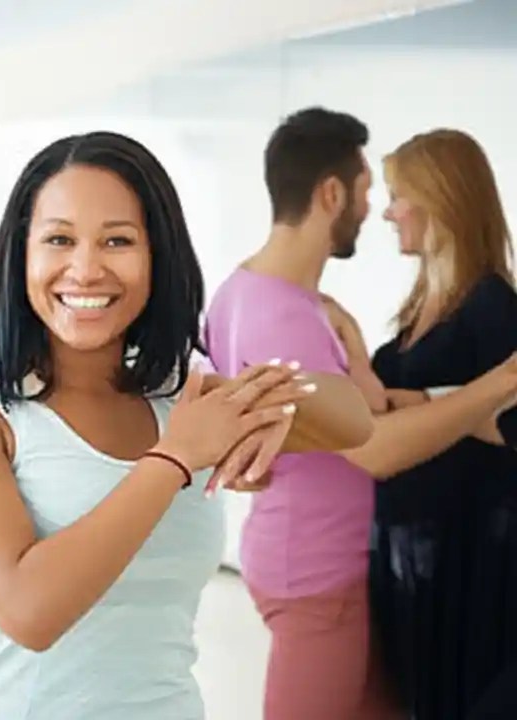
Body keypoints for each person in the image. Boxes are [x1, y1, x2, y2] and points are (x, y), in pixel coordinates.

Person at [0, 131, 374, 718]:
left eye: (118, 241)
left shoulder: (178, 396)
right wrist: (173, 459)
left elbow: (354, 420)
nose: (85, 269)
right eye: (59, 239)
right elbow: (30, 611)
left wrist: (279, 403)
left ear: (157, 255)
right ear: (21, 255)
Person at [203, 108, 517, 720]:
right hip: (321, 571)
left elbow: (368, 411)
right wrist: (499, 383)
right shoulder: (285, 314)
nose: (379, 209)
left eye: (396, 195)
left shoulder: (267, 297)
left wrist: (357, 358)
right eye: (373, 191)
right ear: (330, 194)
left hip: (399, 568)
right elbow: (374, 448)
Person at [330, 128, 517, 719]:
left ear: (440, 197)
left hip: (477, 565)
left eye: (397, 194)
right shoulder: (414, 315)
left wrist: (442, 408)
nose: (386, 212)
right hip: (413, 565)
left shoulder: (492, 307)